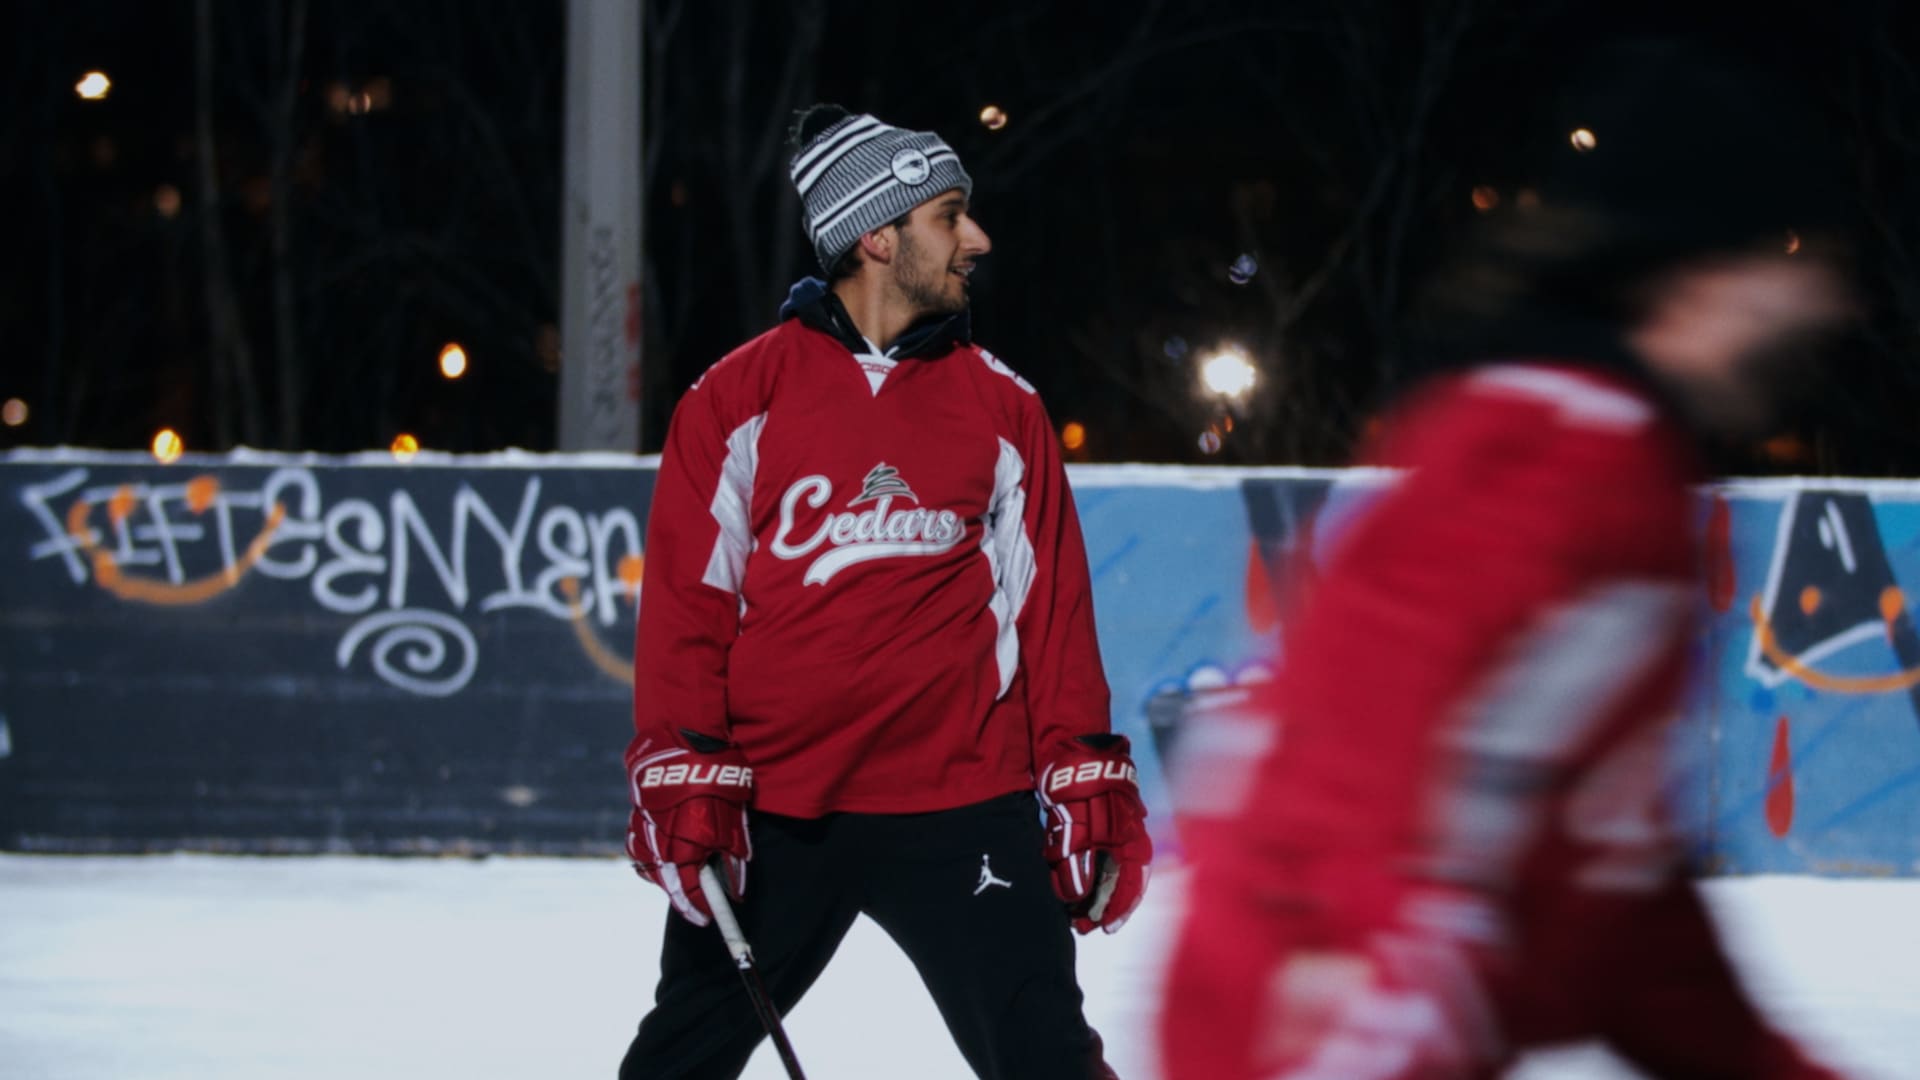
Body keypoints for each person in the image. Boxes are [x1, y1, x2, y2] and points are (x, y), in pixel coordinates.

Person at [1157, 38, 1857, 1080]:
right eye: (1790, 261)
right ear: (1699, 272)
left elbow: (1613, 891)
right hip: (1314, 1021)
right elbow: (1369, 781)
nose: (1825, 304)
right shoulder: (1565, 459)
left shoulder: (1623, 463)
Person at [620, 104, 1152, 1080]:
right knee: (672, 1069)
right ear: (877, 233)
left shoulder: (1004, 406)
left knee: (1050, 1063)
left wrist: (1083, 769)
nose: (976, 240)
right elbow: (689, 615)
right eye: (951, 216)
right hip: (776, 815)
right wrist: (684, 769)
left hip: (964, 804)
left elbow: (1053, 615)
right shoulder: (736, 400)